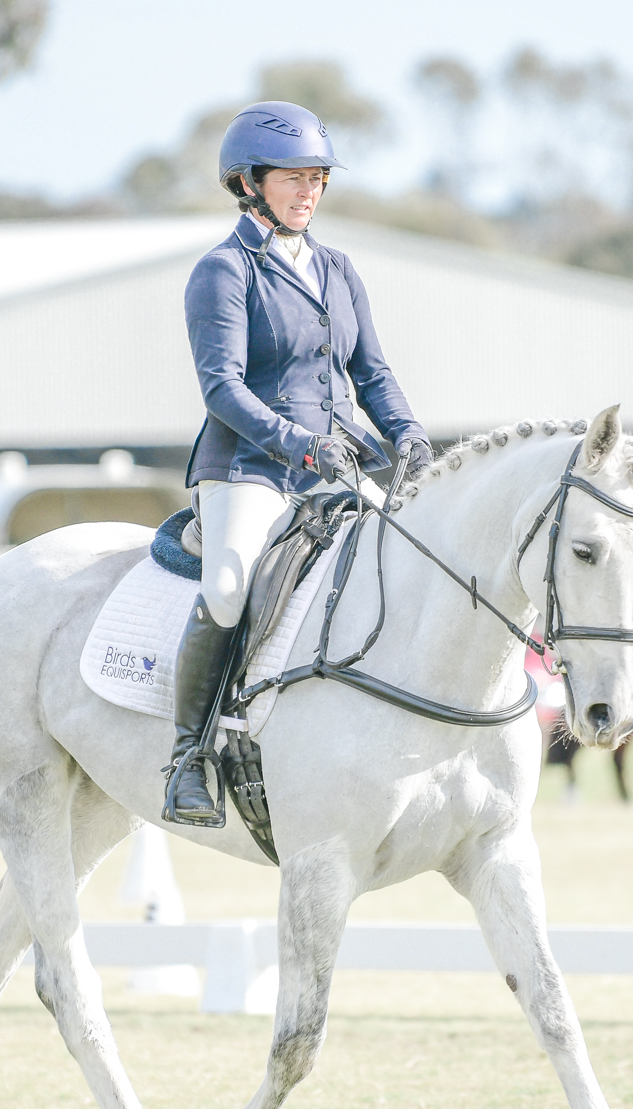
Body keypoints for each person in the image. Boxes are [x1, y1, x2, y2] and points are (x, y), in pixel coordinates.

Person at [164, 99, 434, 827]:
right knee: (227, 587)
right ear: (249, 182)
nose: (308, 191)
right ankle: (188, 756)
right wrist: (297, 442)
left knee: (404, 564)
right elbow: (221, 387)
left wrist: (407, 433)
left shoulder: (337, 268)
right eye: (293, 178)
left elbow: (371, 373)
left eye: (317, 177)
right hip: (249, 468)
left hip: (334, 464)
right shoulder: (224, 271)